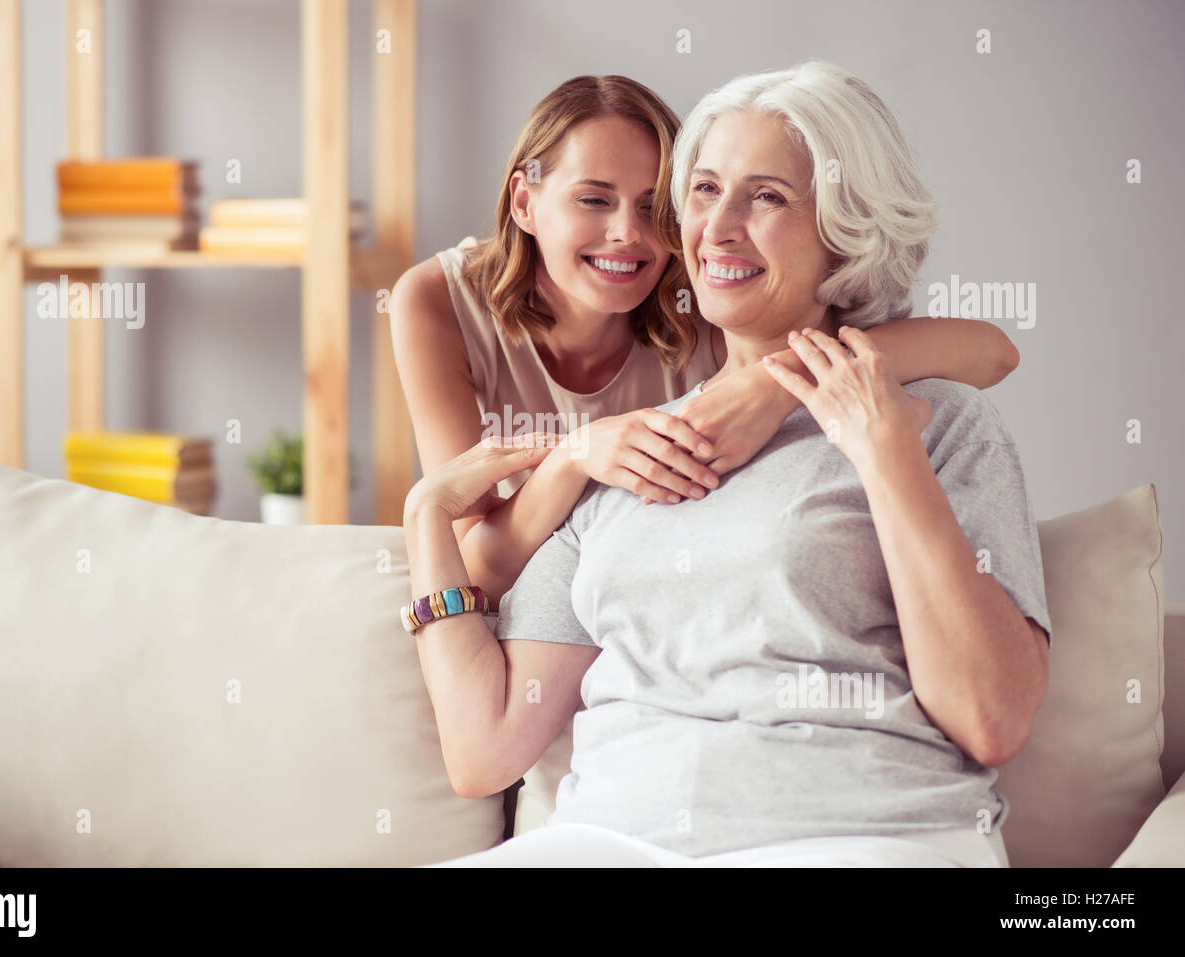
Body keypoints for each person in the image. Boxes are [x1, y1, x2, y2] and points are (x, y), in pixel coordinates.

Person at [404, 60, 1051, 868]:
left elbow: (993, 718)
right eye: (705, 190)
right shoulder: (626, 451)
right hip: (608, 842)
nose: (718, 227)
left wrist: (881, 451)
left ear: (846, 229)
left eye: (768, 196)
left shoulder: (938, 424)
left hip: (858, 837)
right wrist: (426, 514)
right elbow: (484, 749)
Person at [389, 74, 1019, 605]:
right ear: (524, 204)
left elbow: (991, 350)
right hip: (552, 600)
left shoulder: (701, 294)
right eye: (593, 200)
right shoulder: (437, 302)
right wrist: (577, 455)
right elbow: (471, 568)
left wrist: (770, 387)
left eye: (650, 207)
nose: (626, 236)